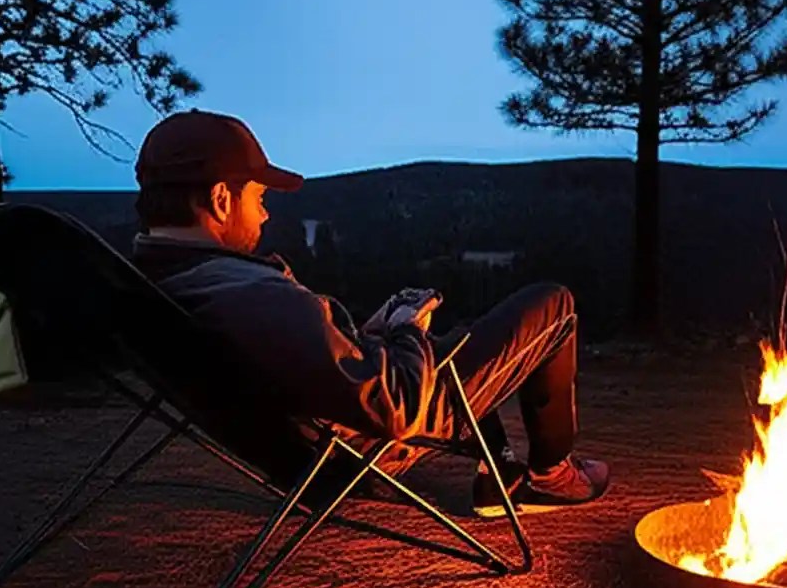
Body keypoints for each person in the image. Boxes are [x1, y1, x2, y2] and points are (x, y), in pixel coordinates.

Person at [129, 108, 609, 517]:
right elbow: (395, 408)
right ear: (219, 199)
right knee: (553, 303)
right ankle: (550, 475)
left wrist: (370, 336)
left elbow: (308, 364)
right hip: (369, 442)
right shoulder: (246, 293)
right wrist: (405, 332)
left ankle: (498, 470)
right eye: (259, 199)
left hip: (316, 436)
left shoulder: (160, 285)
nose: (265, 215)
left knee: (465, 338)